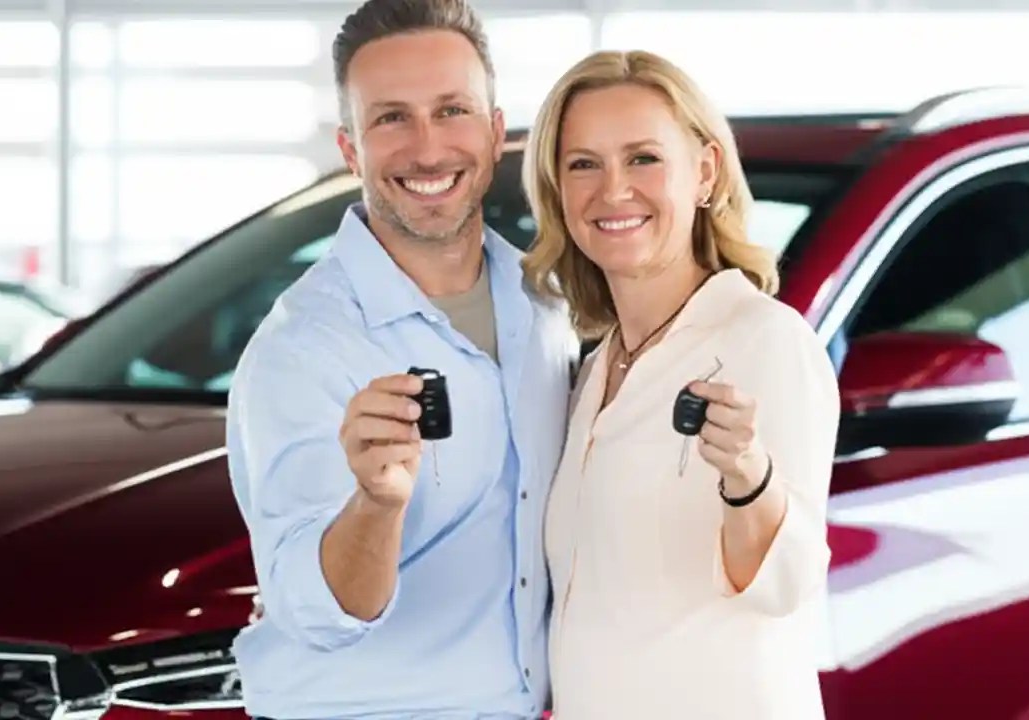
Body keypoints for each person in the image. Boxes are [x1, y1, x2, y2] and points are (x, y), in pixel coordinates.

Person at [224, 0, 577, 718]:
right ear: (351, 149)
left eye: (452, 111)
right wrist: (376, 505)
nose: (427, 149)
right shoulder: (303, 347)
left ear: (494, 131)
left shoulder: (544, 305)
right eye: (390, 118)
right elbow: (314, 612)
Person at [521, 50, 841, 719]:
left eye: (643, 158)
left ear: (704, 172)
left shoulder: (765, 340)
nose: (613, 190)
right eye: (583, 163)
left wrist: (748, 478)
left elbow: (789, 583)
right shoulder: (595, 369)